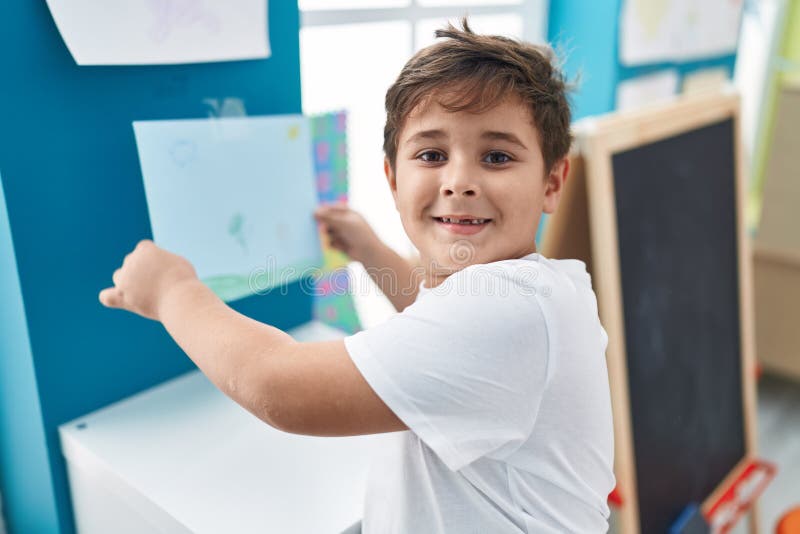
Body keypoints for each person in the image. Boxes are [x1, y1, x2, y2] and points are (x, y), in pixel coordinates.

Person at [99, 18, 615, 533]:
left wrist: (172, 291)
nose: (459, 182)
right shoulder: (540, 292)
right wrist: (370, 250)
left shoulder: (509, 314)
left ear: (552, 182)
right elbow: (438, 320)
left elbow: (279, 387)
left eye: (496, 157)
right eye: (432, 155)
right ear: (393, 179)